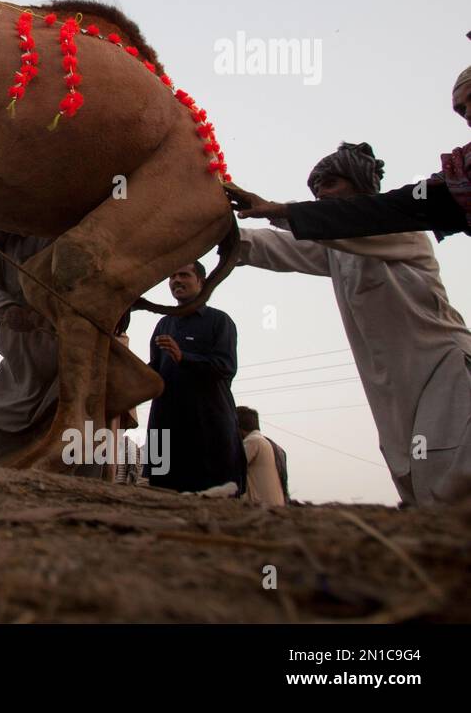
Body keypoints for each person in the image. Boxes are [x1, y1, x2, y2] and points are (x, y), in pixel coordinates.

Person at [238, 142, 471, 506]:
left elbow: (345, 227)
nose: (322, 194)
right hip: (393, 389)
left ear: (362, 186)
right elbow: (271, 247)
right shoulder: (337, 250)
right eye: (316, 190)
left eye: (331, 183)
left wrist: (278, 211)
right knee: (413, 476)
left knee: (449, 477)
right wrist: (217, 228)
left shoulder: (403, 233)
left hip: (445, 373)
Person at [227, 67, 471, 240]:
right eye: (461, 109)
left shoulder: (403, 238)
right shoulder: (456, 178)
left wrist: (278, 211)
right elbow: (388, 209)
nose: (468, 114)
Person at [145, 261, 247, 494]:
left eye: (184, 275)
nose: (176, 280)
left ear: (201, 282)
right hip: (165, 425)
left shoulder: (219, 321)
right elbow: (155, 370)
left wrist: (184, 357)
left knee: (214, 498)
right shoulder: (164, 324)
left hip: (208, 427)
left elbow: (226, 366)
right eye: (172, 276)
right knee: (162, 497)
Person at [0, 230, 62, 463]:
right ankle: (7, 475)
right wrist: (8, 308)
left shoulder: (46, 233)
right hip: (19, 355)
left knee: (67, 415)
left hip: (61, 344)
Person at [236, 407, 287, 506]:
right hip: (274, 505)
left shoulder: (252, 441)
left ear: (238, 427)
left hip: (260, 505)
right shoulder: (264, 442)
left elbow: (232, 468)